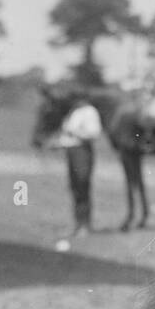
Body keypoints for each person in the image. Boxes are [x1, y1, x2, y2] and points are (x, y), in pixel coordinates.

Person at [54, 89, 102, 237]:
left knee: (83, 186)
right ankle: (77, 223)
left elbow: (94, 133)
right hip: (71, 151)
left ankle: (85, 225)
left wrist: (74, 133)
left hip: (82, 152)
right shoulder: (74, 113)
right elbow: (67, 134)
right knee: (74, 187)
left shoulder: (90, 112)